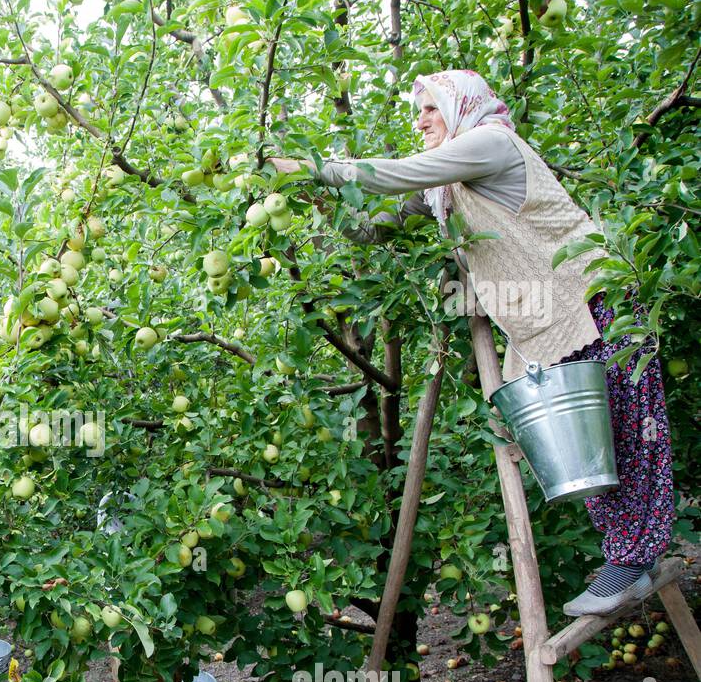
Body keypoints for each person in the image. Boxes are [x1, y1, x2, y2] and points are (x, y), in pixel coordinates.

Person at [269, 69, 674, 618]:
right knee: (587, 445)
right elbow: (373, 226)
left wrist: (316, 166)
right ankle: (627, 557)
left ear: (461, 105)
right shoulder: (444, 188)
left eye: (431, 108)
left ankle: (633, 559)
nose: (421, 121)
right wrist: (320, 198)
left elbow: (393, 175)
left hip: (595, 298)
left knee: (628, 430)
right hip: (545, 321)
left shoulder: (489, 144)